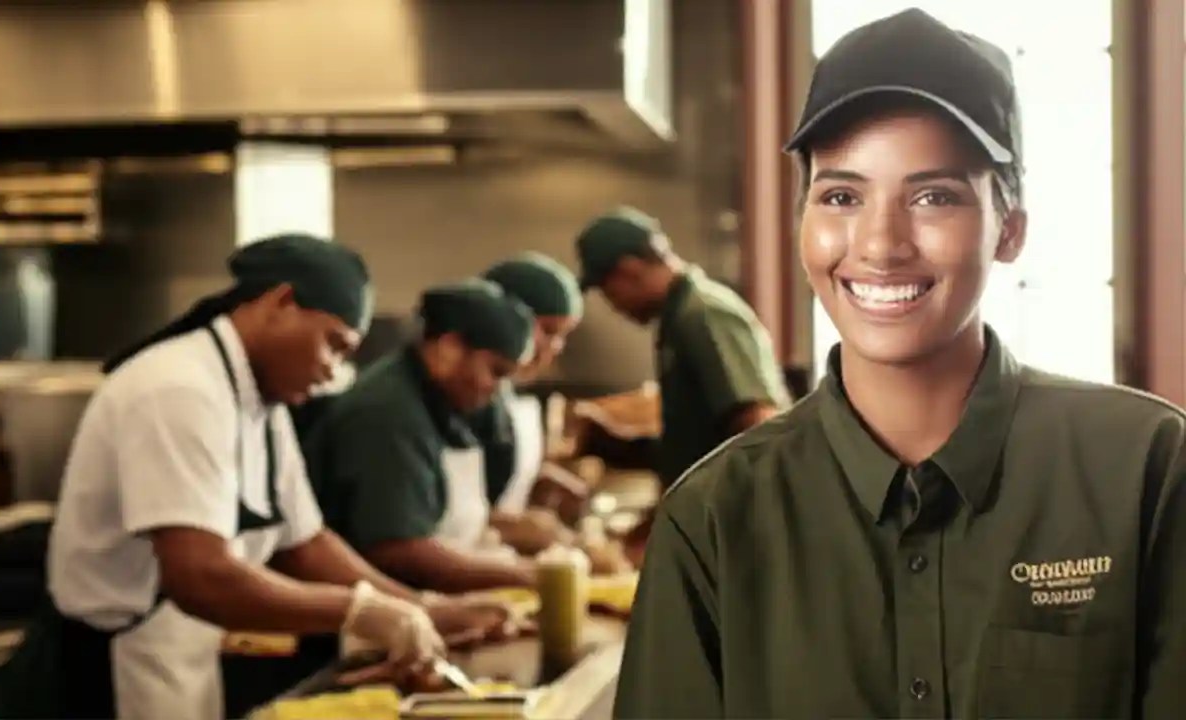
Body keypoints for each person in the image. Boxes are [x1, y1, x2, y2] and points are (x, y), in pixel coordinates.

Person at [614, 9, 1186, 718]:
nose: (880, 244)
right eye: (842, 196)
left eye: (933, 196)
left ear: (1009, 229)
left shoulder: (1145, 470)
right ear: (804, 222)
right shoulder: (713, 521)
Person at [0, 235, 501, 720]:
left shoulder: (259, 399)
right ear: (280, 302)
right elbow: (200, 576)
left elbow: (305, 543)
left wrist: (421, 610)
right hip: (99, 680)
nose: (332, 371)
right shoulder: (179, 388)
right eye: (333, 345)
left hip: (175, 660)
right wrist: (361, 612)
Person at [300, 279, 541, 593]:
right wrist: (523, 575)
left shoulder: (450, 402)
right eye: (495, 371)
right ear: (450, 348)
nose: (497, 389)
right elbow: (397, 550)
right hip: (365, 617)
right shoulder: (386, 412)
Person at [575, 206, 793, 490]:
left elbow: (757, 422)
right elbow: (700, 443)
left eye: (608, 291)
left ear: (630, 271)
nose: (612, 305)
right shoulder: (677, 319)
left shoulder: (703, 315)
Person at [470, 253, 587, 555]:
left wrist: (540, 478)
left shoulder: (510, 395)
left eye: (562, 336)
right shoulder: (467, 397)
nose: (554, 348)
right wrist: (520, 528)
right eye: (547, 331)